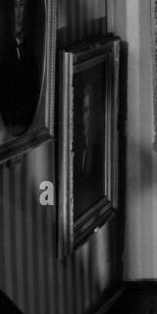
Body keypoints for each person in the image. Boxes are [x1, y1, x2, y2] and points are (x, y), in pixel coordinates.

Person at [0, 0, 42, 136]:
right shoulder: (2, 54)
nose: (19, 13)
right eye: (15, 6)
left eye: (22, 5)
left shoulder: (31, 53)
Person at [72, 76, 104, 213]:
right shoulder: (72, 149)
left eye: (87, 110)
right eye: (82, 111)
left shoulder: (97, 156)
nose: (84, 118)